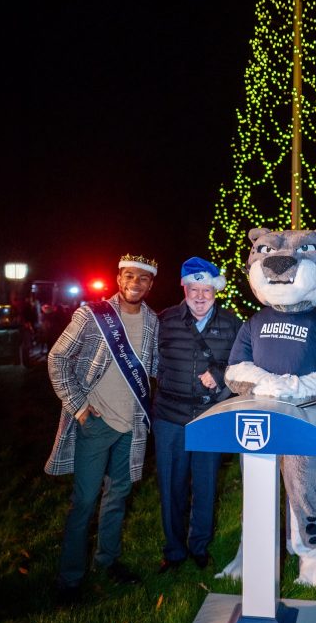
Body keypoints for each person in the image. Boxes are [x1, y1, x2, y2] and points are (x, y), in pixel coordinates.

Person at [45, 254, 159, 604]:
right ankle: (70, 578)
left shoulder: (154, 321)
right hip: (96, 424)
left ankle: (107, 561)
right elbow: (57, 358)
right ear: (118, 278)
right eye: (129, 276)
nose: (135, 283)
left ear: (150, 284)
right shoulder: (92, 315)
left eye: (142, 278)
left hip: (131, 425)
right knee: (84, 502)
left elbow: (151, 369)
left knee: (117, 497)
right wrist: (78, 406)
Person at [153, 257, 241, 573]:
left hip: (210, 415)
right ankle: (174, 550)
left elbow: (243, 364)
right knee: (171, 485)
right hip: (169, 416)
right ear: (184, 287)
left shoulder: (232, 324)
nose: (200, 297)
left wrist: (219, 372)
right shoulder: (164, 320)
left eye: (207, 290)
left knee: (205, 486)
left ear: (216, 292)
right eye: (194, 289)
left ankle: (199, 546)